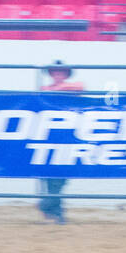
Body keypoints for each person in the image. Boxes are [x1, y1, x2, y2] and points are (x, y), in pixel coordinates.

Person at [38, 60, 83, 225]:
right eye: (55, 72)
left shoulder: (71, 88)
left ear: (65, 74)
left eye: (61, 72)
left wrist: (57, 89)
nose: (57, 75)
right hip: (48, 137)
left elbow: (79, 87)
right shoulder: (45, 90)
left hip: (66, 136)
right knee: (50, 176)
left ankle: (48, 205)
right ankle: (56, 212)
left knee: (61, 177)